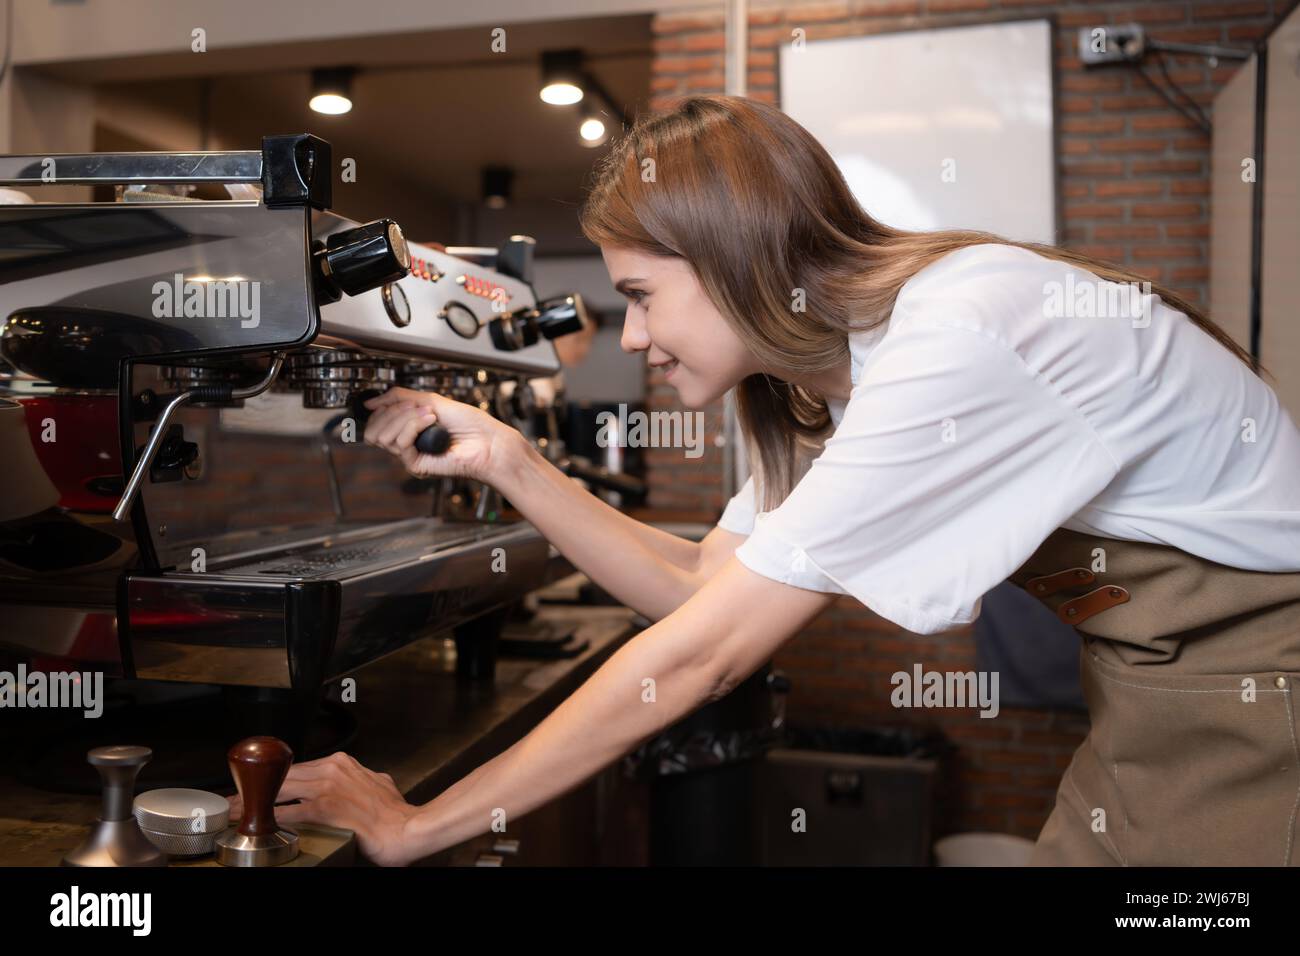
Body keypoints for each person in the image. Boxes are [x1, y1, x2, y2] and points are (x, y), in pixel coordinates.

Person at [231, 95, 1300, 867]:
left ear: (740, 256)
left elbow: (702, 654)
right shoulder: (822, 386)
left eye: (643, 294)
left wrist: (422, 821)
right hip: (1159, 701)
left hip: (1262, 697)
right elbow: (704, 585)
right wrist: (511, 460)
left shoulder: (957, 331)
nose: (634, 336)